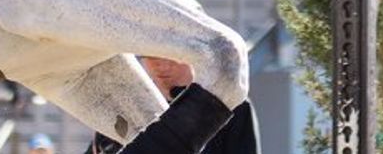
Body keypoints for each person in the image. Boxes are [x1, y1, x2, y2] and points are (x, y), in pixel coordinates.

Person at [86, 56, 260, 154]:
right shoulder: (124, 105)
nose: (161, 64)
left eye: (171, 54)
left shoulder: (229, 104)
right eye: (151, 53)